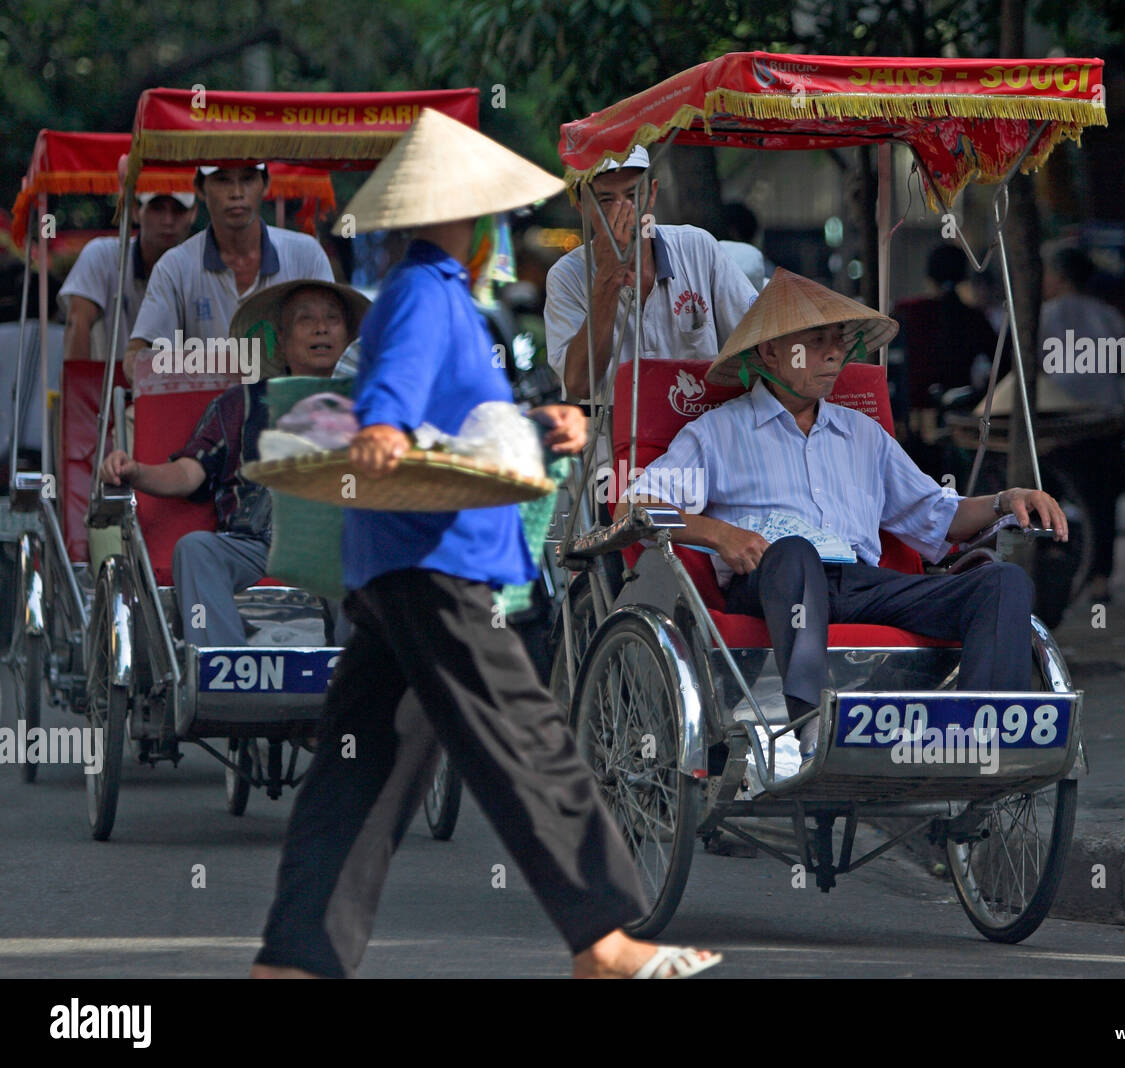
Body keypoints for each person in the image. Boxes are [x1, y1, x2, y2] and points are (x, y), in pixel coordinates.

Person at [251, 109, 719, 980]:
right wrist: (385, 426)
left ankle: (296, 958)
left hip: (400, 565)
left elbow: (455, 426)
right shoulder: (428, 291)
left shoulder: (432, 293)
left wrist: (535, 430)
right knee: (525, 738)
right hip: (439, 563)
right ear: (467, 218)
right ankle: (605, 937)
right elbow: (394, 396)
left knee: (364, 768)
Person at [622, 269, 1067, 763]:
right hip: (775, 583)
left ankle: (984, 742)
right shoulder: (718, 432)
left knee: (1001, 584)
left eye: (839, 341)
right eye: (815, 342)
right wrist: (720, 533)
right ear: (770, 352)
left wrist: (1007, 499)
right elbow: (632, 506)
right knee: (795, 554)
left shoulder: (863, 434)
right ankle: (812, 729)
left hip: (860, 584)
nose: (835, 353)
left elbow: (939, 517)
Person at [98, 281, 369, 646]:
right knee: (195, 549)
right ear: (284, 339)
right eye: (307, 319)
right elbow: (188, 472)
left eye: (332, 319)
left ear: (349, 335)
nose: (321, 328)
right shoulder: (241, 402)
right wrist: (135, 470)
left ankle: (346, 679)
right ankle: (227, 671)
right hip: (251, 544)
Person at [545, 145, 757, 401]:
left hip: (702, 431)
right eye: (606, 201)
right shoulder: (566, 276)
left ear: (652, 193)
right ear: (582, 207)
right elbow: (579, 385)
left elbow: (756, 344)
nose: (624, 211)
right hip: (614, 437)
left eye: (633, 195)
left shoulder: (698, 247)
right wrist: (607, 279)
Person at [125, 163, 334, 382]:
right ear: (200, 188)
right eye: (223, 180)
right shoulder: (175, 266)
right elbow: (137, 355)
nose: (236, 193)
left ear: (265, 184)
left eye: (247, 179)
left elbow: (331, 340)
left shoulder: (306, 254)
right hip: (203, 410)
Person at [1038, 246, 1125, 603]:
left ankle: (1052, 556)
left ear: (1061, 277)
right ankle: (1099, 578)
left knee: (1046, 490)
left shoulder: (1041, 316)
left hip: (1056, 427)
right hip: (1102, 425)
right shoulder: (1109, 316)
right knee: (1102, 500)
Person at [59, 185, 197, 364]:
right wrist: (77, 387)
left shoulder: (203, 271)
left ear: (193, 214)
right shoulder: (102, 256)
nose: (168, 220)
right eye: (157, 208)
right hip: (106, 387)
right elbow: (77, 323)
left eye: (178, 210)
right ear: (135, 211)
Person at [889, 243, 999, 460]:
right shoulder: (973, 318)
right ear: (964, 277)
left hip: (907, 425)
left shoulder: (907, 311)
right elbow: (1001, 364)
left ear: (928, 275)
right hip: (957, 426)